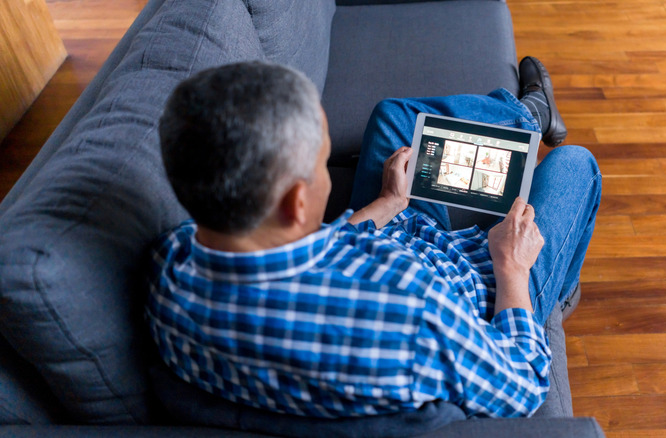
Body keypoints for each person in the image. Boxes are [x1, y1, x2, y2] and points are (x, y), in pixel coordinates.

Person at [146, 57, 601, 420]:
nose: (329, 174)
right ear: (298, 203)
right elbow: (520, 383)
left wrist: (385, 205)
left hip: (392, 249)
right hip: (483, 289)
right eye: (323, 163)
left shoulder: (173, 266)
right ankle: (558, 294)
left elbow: (292, 253)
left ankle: (527, 113)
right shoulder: (414, 317)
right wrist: (513, 267)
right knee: (575, 164)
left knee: (394, 116)